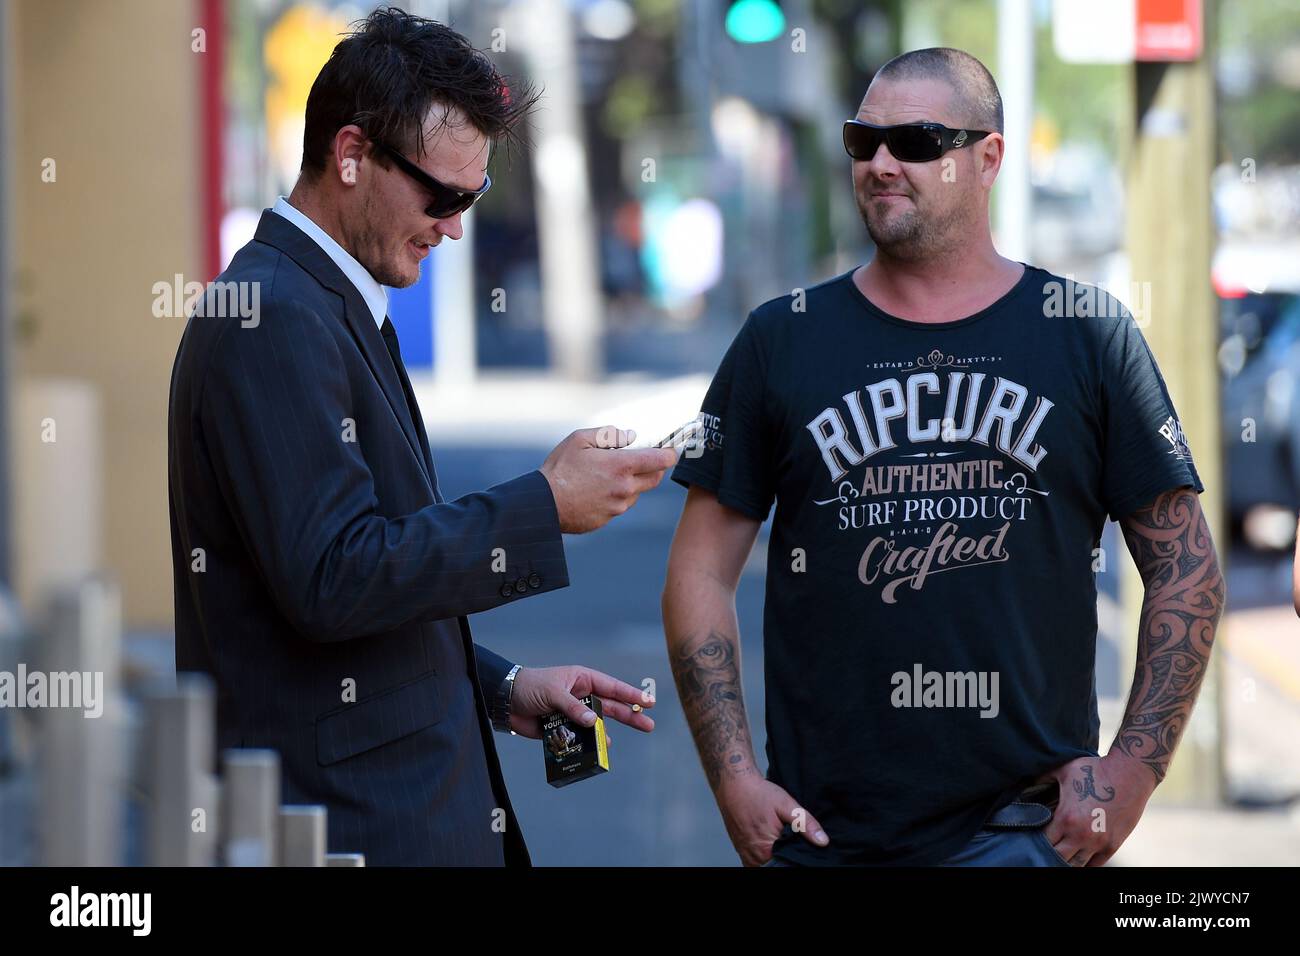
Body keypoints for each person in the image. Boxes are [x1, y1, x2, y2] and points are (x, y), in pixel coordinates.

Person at [662, 47, 1225, 867]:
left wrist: (1135, 771)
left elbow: (1186, 568)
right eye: (864, 142)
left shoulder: (1087, 335)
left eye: (918, 142)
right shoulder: (781, 339)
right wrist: (733, 776)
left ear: (987, 158)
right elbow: (698, 572)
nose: (882, 164)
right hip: (822, 836)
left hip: (1020, 834)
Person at [168, 7, 676, 866]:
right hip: (351, 827)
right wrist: (541, 507)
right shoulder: (274, 317)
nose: (455, 227)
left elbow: (354, 586)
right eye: (442, 196)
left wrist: (501, 686)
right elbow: (335, 576)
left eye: (471, 198)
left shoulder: (323, 302)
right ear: (352, 155)